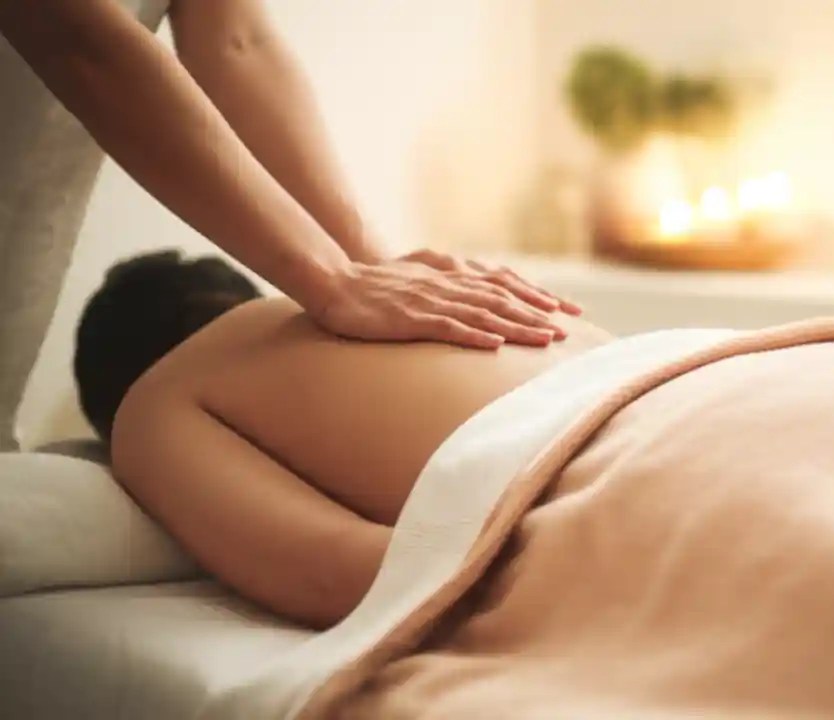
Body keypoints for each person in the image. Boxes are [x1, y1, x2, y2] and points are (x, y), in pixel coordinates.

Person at [0, 0, 577, 452]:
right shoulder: (174, 419)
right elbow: (77, 40)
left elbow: (236, 42)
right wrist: (339, 278)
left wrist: (364, 267)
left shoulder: (167, 424)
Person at [76, 251, 614, 629]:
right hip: (684, 382)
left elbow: (347, 578)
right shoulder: (417, 276)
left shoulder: (155, 405)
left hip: (604, 490)